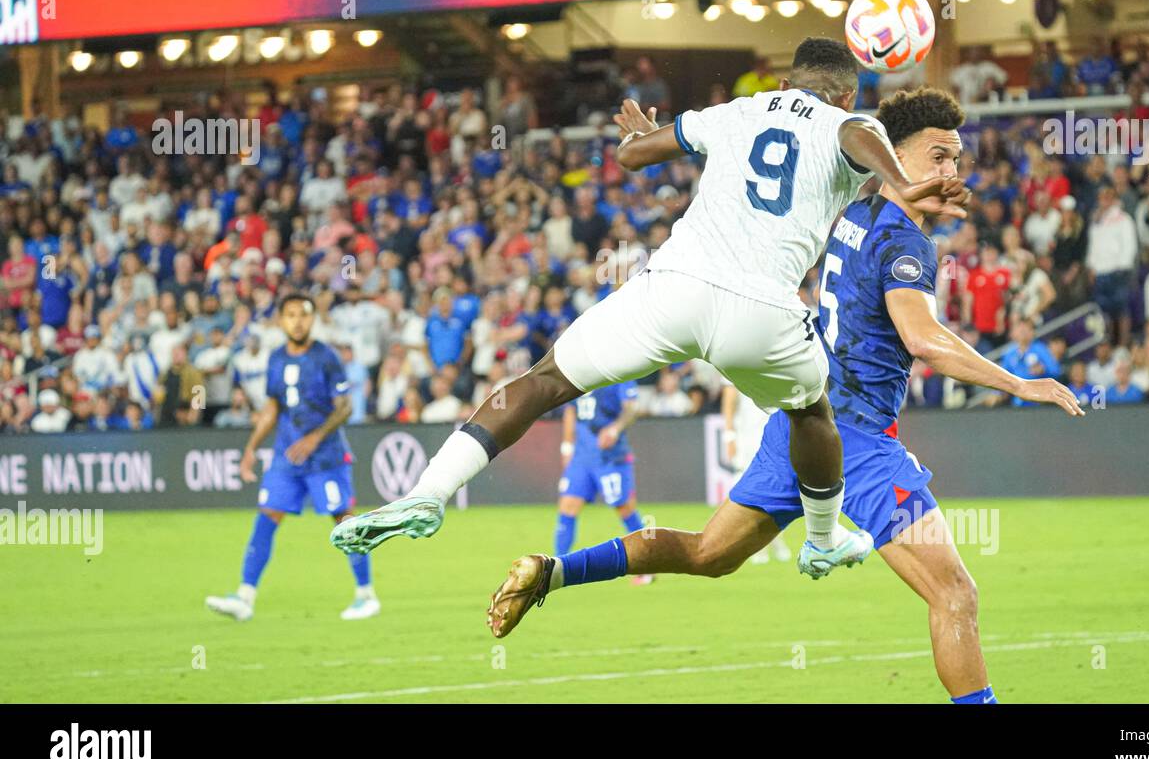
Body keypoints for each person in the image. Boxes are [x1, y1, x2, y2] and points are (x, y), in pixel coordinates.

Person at [483, 88, 1082, 710]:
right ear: (893, 157)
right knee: (955, 595)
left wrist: (667, 142)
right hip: (858, 445)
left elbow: (773, 180)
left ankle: (551, 571)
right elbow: (922, 338)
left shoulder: (853, 210)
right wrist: (1020, 381)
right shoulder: (905, 244)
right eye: (937, 157)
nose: (950, 174)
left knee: (708, 554)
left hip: (801, 427)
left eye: (955, 160)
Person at [332, 38, 969, 583]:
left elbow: (633, 155)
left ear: (782, 83)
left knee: (544, 380)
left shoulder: (735, 111)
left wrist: (641, 135)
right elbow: (857, 139)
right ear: (846, 95)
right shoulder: (850, 126)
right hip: (761, 312)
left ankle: (429, 491)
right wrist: (904, 178)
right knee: (812, 412)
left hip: (673, 288)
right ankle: (825, 537)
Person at [205, 295, 379, 623]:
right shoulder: (275, 359)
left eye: (304, 315)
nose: (298, 321)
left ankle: (366, 595)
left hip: (326, 456)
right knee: (266, 517)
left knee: (344, 522)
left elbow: (345, 406)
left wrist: (315, 437)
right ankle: (244, 597)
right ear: (281, 321)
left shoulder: (326, 357)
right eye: (291, 315)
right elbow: (273, 408)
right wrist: (251, 446)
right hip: (287, 456)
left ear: (312, 320)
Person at [556, 381, 653, 586]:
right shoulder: (579, 375)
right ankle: (558, 568)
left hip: (611, 459)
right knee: (567, 506)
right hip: (582, 458)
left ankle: (648, 564)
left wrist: (615, 429)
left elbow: (631, 408)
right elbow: (570, 412)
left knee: (624, 508)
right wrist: (566, 447)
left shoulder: (619, 375)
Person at [720, 379, 791, 564]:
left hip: (773, 434)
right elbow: (729, 399)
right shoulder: (732, 359)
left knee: (773, 493)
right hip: (747, 439)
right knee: (748, 493)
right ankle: (760, 546)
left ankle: (770, 542)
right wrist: (729, 436)